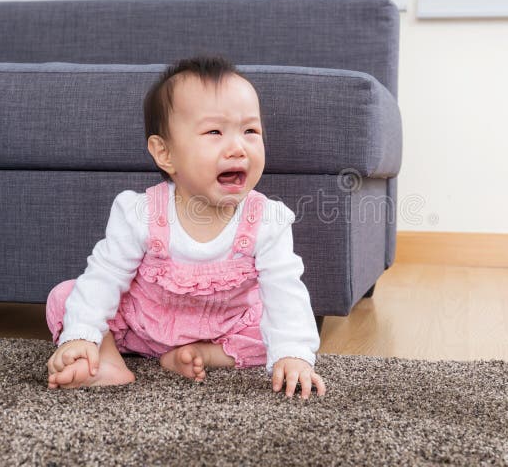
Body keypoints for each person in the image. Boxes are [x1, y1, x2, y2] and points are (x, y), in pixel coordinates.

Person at [45, 56, 326, 400]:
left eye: (250, 131)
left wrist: (293, 355)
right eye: (214, 132)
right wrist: (81, 335)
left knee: (275, 323)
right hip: (145, 323)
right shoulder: (140, 212)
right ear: (165, 153)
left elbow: (285, 290)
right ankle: (105, 360)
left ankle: (204, 354)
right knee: (66, 297)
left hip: (226, 326)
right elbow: (105, 276)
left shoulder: (268, 218)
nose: (238, 148)